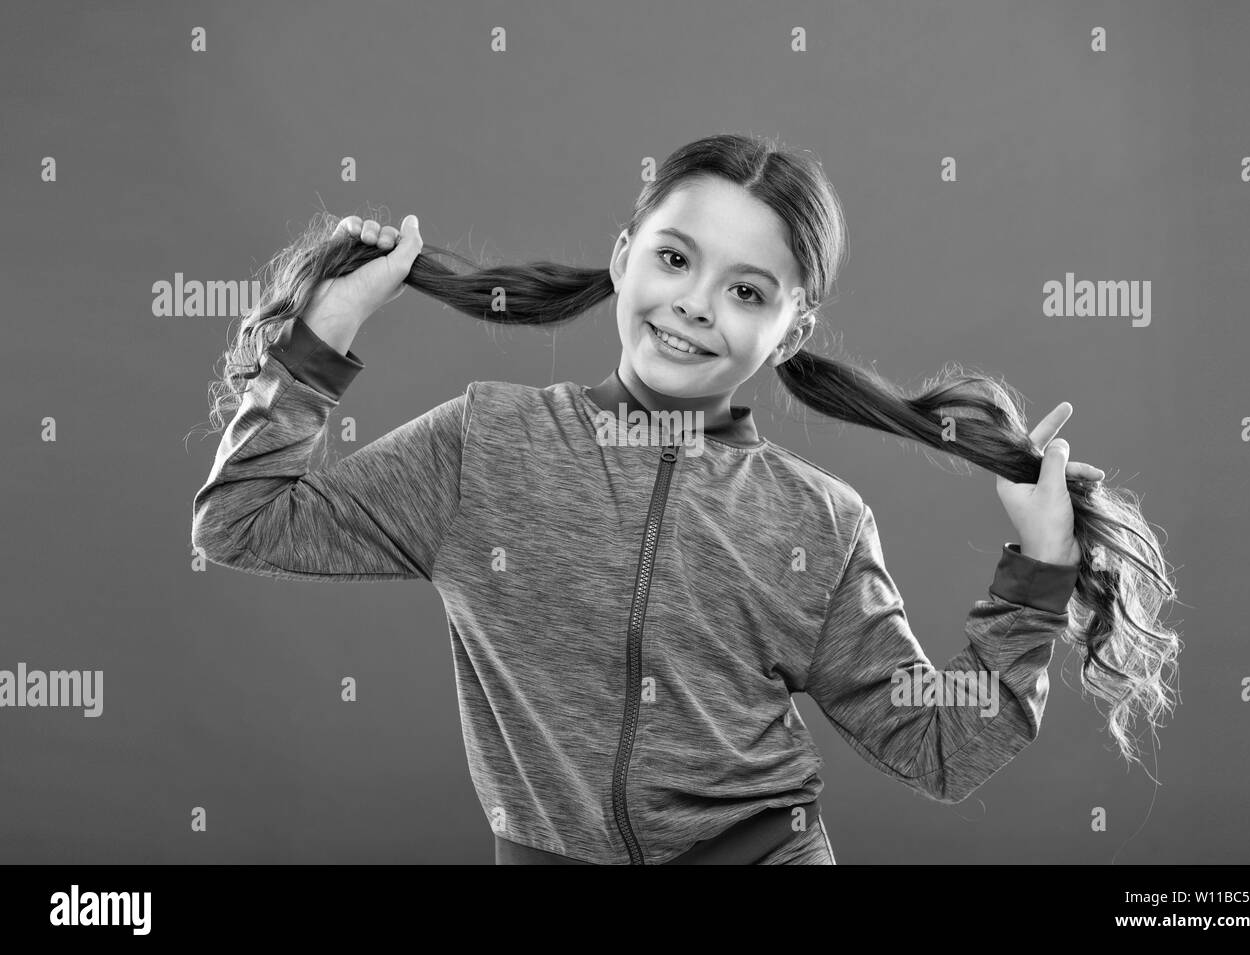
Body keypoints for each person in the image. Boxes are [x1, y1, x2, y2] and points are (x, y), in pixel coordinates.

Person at [193, 132, 1180, 865]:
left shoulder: (818, 521)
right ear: (625, 257)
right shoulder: (482, 445)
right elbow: (242, 520)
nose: (697, 304)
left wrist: (1038, 580)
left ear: (790, 334)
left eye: (748, 292)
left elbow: (938, 750)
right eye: (675, 258)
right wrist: (317, 344)